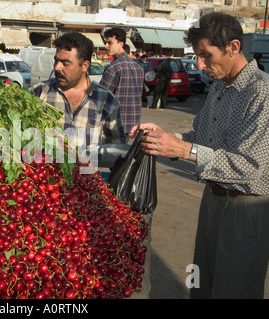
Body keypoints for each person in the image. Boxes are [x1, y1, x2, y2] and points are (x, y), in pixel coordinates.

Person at [129, 12, 269, 299]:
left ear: (233, 47)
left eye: (206, 56)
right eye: (197, 56)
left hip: (247, 208)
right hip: (212, 201)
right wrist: (166, 138)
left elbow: (251, 168)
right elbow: (201, 139)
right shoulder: (218, 87)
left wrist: (184, 150)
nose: (200, 65)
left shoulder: (261, 93)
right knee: (201, 285)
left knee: (233, 290)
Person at [29, 32, 125, 154]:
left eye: (66, 63)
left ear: (84, 66)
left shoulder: (106, 101)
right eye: (56, 61)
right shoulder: (38, 93)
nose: (57, 67)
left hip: (87, 172)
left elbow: (117, 152)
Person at [100, 27, 144, 141]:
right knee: (122, 155)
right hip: (132, 123)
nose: (106, 46)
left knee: (107, 157)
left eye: (110, 43)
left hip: (114, 124)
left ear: (121, 44)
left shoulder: (113, 68)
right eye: (106, 43)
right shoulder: (138, 67)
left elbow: (101, 97)